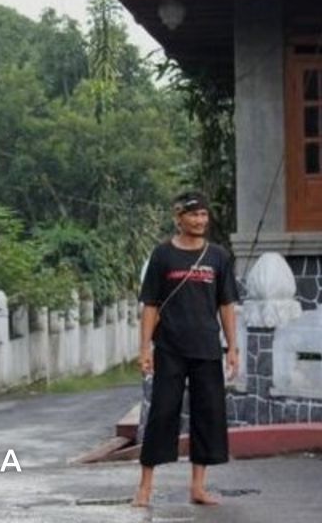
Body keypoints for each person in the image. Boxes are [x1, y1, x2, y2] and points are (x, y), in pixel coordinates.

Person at [133, 191, 239, 507]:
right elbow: (150, 305)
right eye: (193, 215)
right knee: (162, 413)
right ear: (178, 218)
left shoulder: (218, 256)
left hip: (207, 348)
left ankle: (198, 487)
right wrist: (145, 348)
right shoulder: (162, 256)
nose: (200, 221)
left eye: (204, 215)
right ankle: (144, 488)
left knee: (207, 416)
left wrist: (232, 347)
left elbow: (226, 305)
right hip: (170, 348)